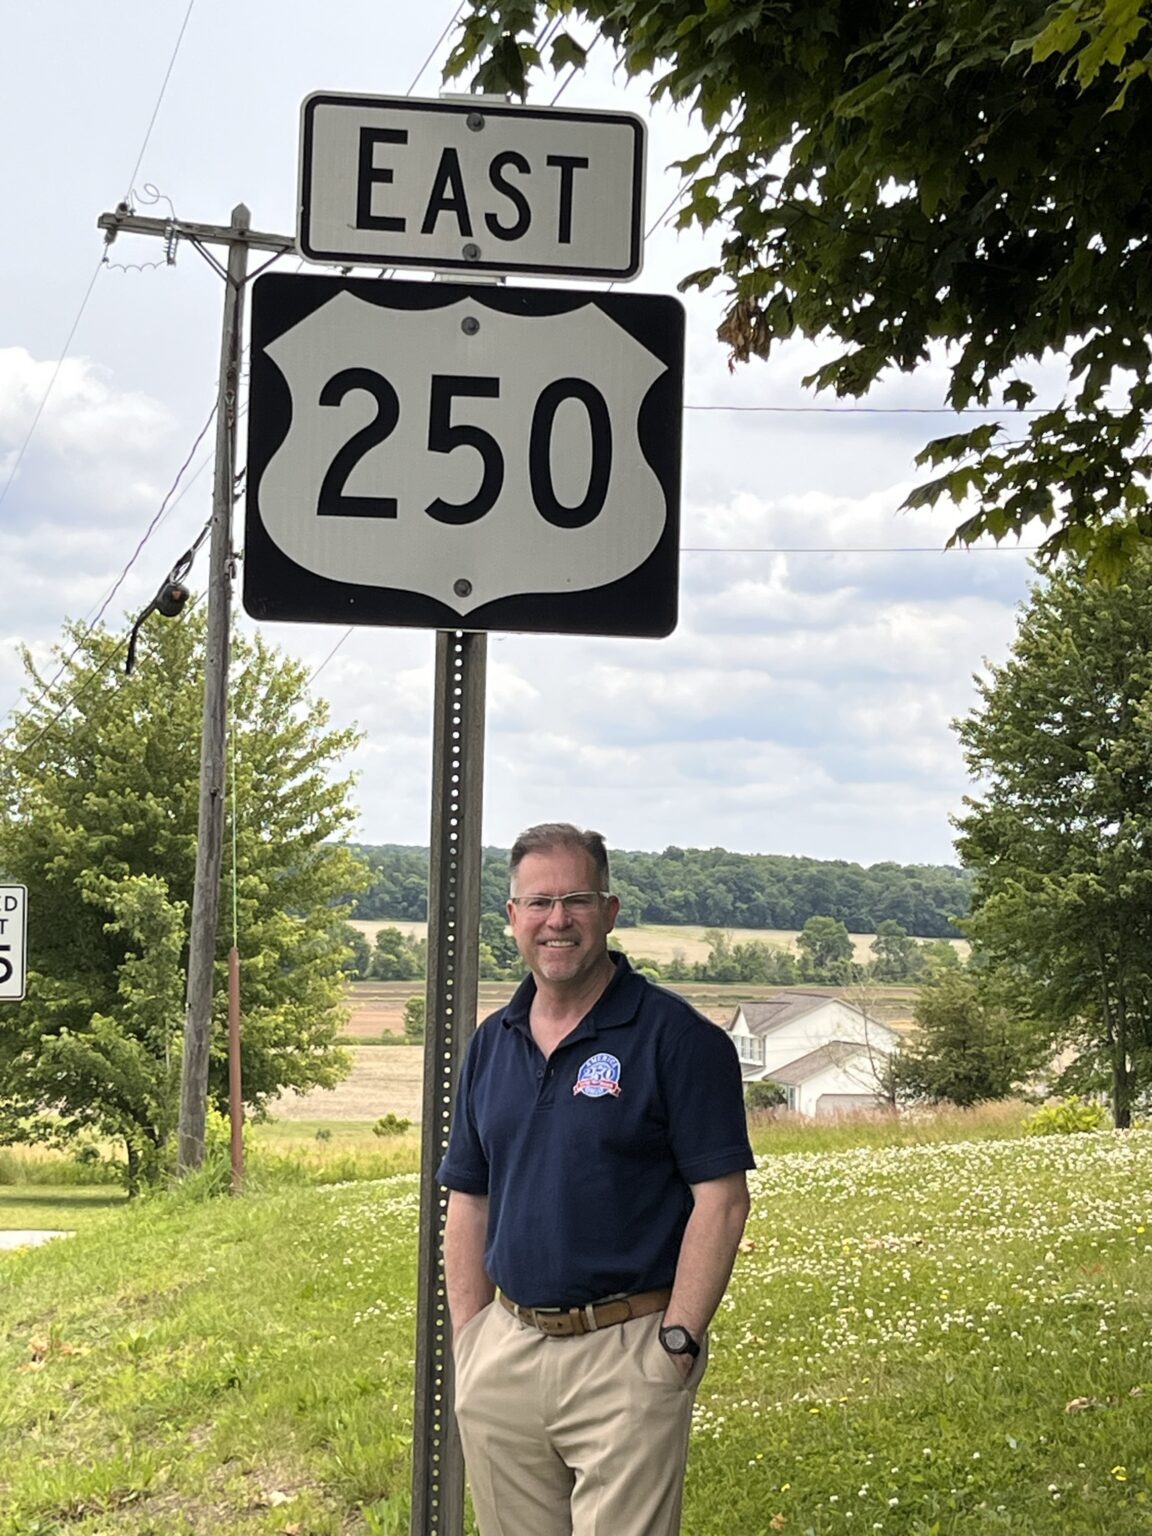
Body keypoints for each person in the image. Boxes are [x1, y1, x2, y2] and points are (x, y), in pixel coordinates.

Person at [437, 822, 754, 1536]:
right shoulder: (492, 1044)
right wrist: (472, 1342)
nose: (557, 920)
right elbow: (469, 1198)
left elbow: (723, 1202)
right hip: (506, 1351)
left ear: (608, 912)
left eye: (576, 900)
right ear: (513, 917)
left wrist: (678, 1343)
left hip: (627, 1353)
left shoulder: (679, 1041)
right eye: (538, 902)